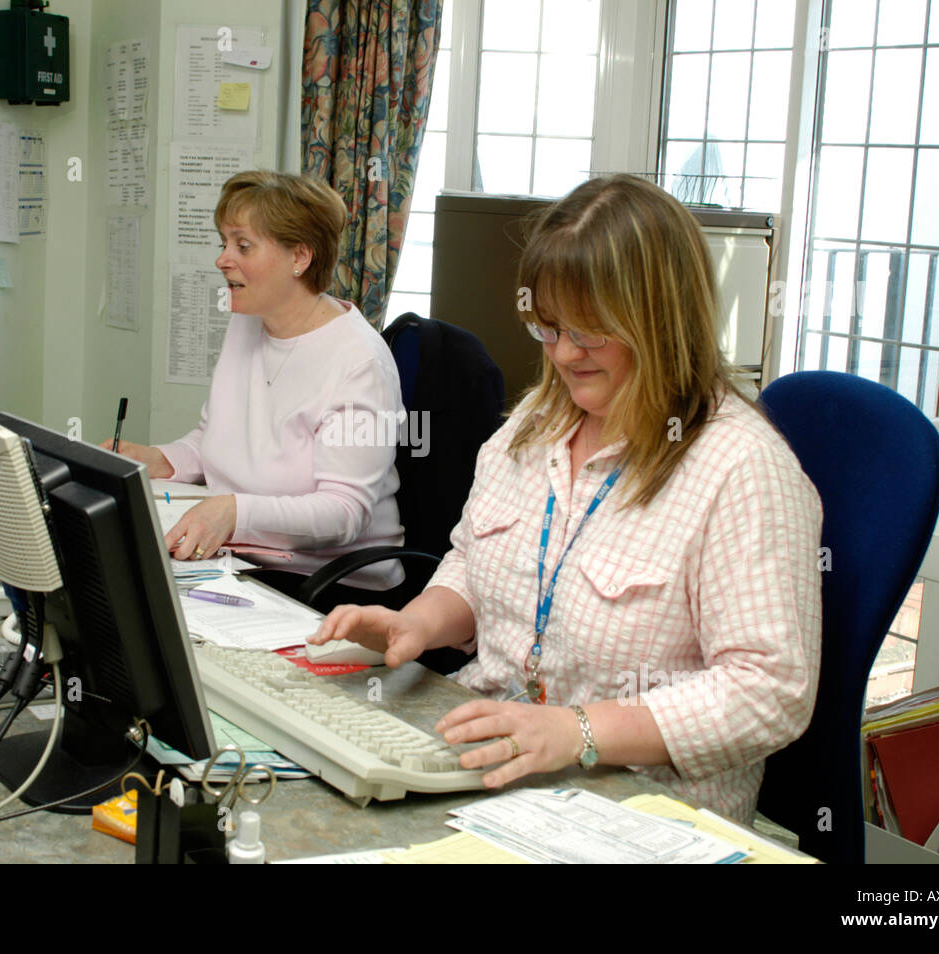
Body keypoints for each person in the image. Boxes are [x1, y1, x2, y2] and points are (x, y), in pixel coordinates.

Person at [311, 175, 823, 823]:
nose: (565, 355)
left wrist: (580, 731)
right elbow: (474, 560)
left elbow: (770, 693)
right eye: (548, 329)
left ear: (661, 321)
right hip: (498, 764)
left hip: (639, 810)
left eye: (590, 333)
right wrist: (421, 620)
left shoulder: (742, 469)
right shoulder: (537, 423)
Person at [111, 170, 404, 600]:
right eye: (223, 243)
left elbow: (345, 513)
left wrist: (233, 511)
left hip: (331, 586)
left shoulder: (358, 362)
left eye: (242, 245)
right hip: (243, 562)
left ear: (299, 257)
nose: (222, 259)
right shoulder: (248, 323)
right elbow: (216, 439)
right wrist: (158, 461)